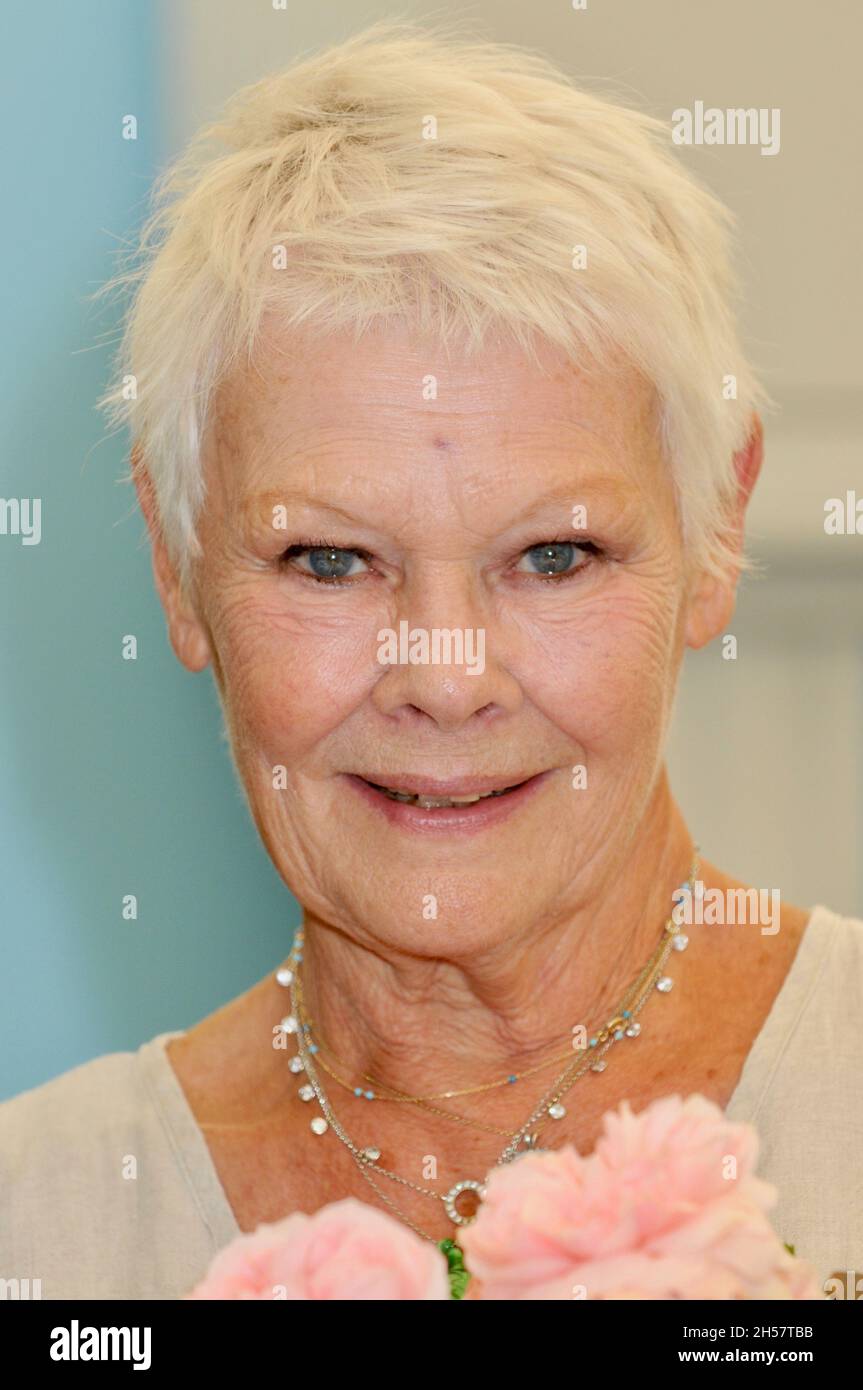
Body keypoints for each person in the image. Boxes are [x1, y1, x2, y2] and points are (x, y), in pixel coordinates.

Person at [2, 21, 860, 1299]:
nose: (446, 677)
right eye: (330, 561)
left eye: (554, 557)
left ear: (716, 530)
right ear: (175, 563)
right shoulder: (38, 1216)